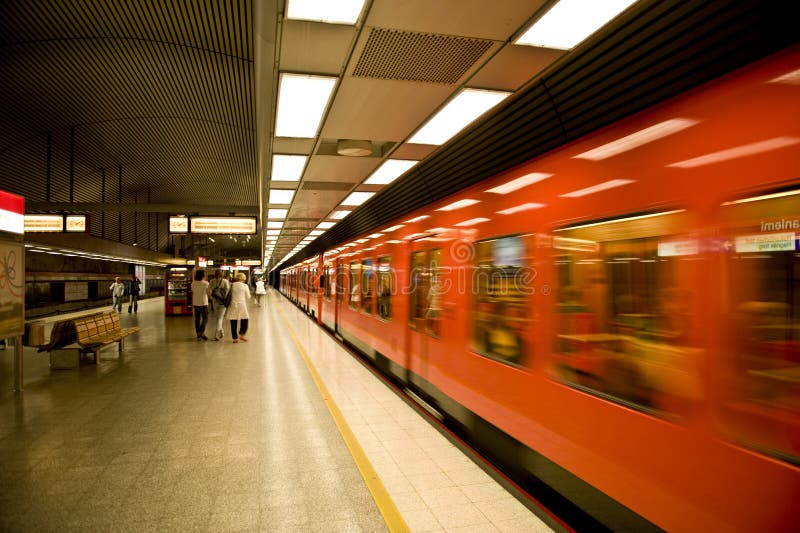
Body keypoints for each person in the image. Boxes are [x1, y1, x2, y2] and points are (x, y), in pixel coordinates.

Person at [226, 272, 250, 343]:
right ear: (243, 278)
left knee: (233, 321)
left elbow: (228, 294)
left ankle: (235, 338)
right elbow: (248, 297)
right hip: (242, 304)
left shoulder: (232, 285)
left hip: (233, 304)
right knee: (245, 319)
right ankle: (242, 334)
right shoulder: (245, 286)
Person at [209, 270, 230, 340]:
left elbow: (209, 292)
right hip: (222, 302)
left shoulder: (212, 281)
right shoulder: (225, 281)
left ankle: (221, 332)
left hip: (215, 302)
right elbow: (227, 291)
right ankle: (216, 334)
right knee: (220, 318)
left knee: (218, 318)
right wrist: (225, 299)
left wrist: (212, 298)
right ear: (222, 274)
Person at [191, 269, 210, 341]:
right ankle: (202, 332)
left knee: (197, 319)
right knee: (205, 318)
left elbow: (193, 291)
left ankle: (198, 335)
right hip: (203, 303)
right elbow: (209, 293)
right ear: (203, 275)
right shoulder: (206, 283)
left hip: (196, 303)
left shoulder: (193, 283)